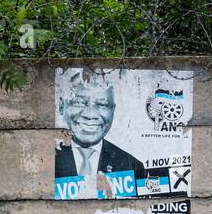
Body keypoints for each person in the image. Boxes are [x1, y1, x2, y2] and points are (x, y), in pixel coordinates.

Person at [53, 71, 148, 199]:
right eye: (79, 102)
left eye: (102, 104)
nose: (90, 114)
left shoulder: (132, 167)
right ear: (61, 106)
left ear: (113, 110)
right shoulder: (43, 159)